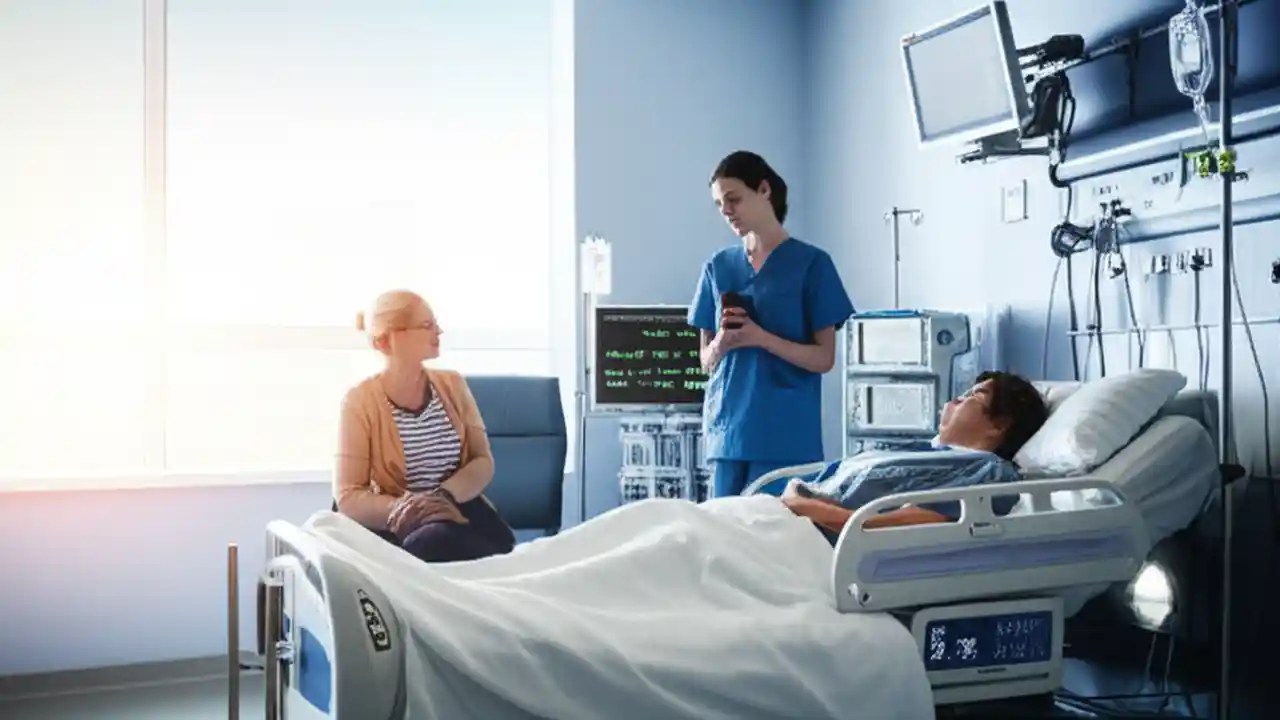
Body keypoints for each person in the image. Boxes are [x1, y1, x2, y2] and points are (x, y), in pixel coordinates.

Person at [689, 150, 855, 499]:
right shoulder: (718, 266)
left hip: (786, 437)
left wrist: (761, 338)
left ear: (764, 190)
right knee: (720, 540)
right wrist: (723, 341)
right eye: (720, 205)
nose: (727, 211)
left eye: (733, 199)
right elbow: (705, 361)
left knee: (773, 541)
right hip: (727, 433)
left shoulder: (813, 265)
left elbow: (824, 359)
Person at [334, 289, 516, 563]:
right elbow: (347, 496)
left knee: (458, 541)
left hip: (457, 512)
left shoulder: (453, 385)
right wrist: (408, 509)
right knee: (429, 541)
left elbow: (482, 460)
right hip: (397, 524)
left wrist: (442, 497)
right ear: (386, 341)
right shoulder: (358, 400)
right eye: (427, 325)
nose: (438, 332)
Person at [778, 371, 1050, 540]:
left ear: (999, 424)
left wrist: (811, 511)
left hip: (817, 537)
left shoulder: (989, 471)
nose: (955, 399)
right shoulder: (918, 450)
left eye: (973, 396)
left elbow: (918, 525)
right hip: (791, 517)